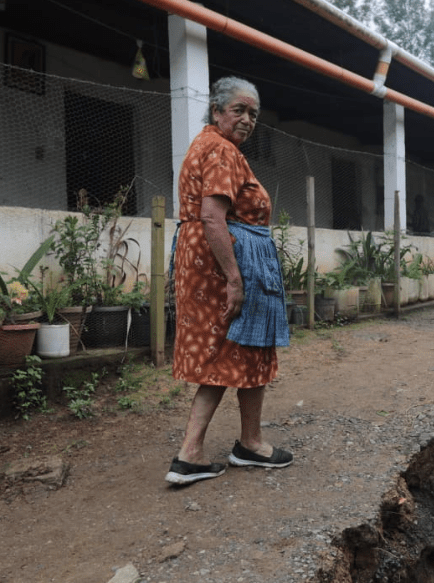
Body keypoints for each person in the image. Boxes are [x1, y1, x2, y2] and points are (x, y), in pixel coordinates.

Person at [165, 77, 292, 485]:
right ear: (217, 110)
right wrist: (235, 279)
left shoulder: (205, 145)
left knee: (226, 354)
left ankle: (193, 453)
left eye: (253, 113)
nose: (247, 119)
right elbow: (212, 216)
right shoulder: (220, 149)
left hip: (203, 258)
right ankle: (248, 445)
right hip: (222, 262)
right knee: (245, 347)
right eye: (239, 109)